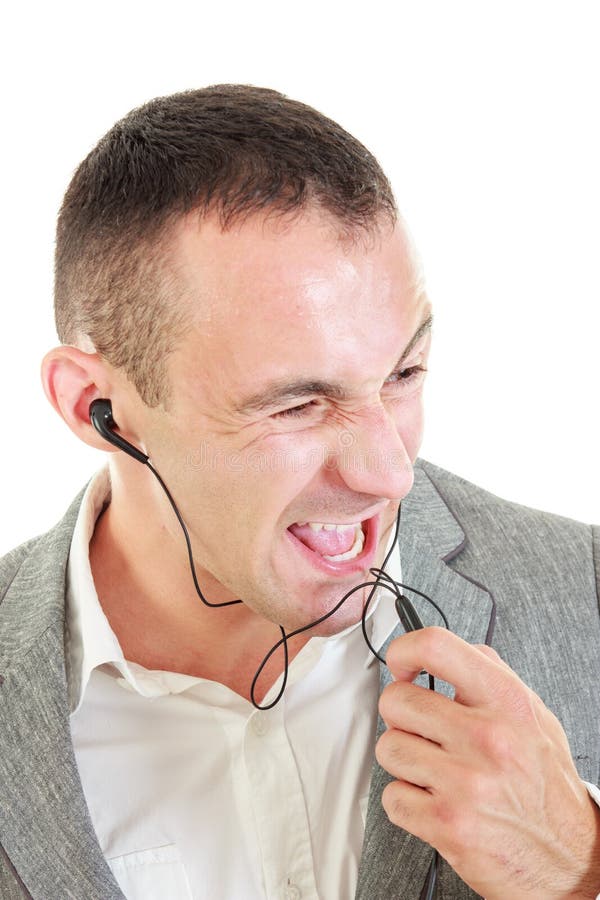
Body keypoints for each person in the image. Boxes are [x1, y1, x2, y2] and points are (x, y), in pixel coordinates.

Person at [0, 85, 598, 900]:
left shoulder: (586, 587)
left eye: (403, 374)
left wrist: (579, 866)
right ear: (96, 408)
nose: (389, 472)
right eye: (298, 404)